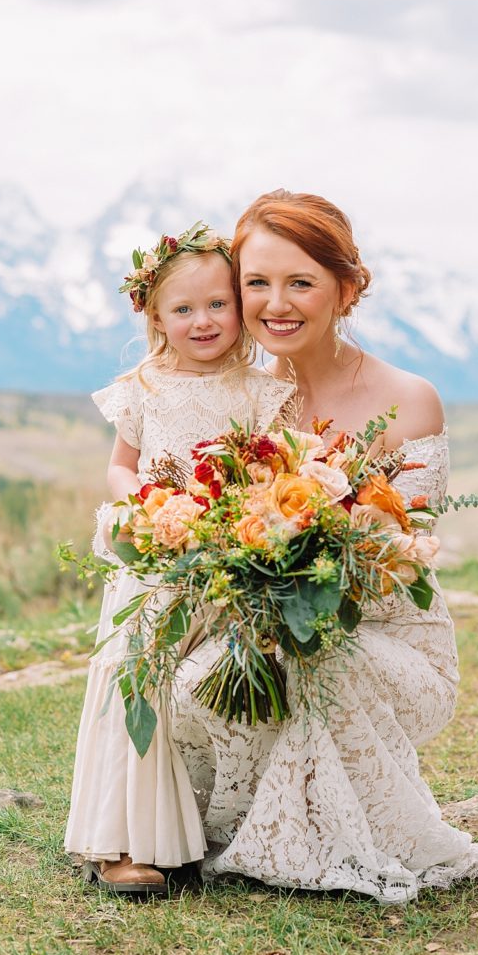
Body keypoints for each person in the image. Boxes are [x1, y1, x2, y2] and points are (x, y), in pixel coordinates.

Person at [169, 190, 478, 904]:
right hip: (266, 630)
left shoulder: (409, 398)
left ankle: (313, 841)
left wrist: (311, 558)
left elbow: (402, 558)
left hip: (388, 642)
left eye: (301, 282)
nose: (277, 303)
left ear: (348, 288)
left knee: (317, 666)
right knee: (190, 683)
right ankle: (230, 823)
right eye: (257, 283)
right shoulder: (238, 402)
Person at [64, 223, 295, 895]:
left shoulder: (261, 391)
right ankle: (118, 842)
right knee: (137, 685)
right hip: (155, 561)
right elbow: (121, 468)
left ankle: (196, 829)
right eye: (183, 309)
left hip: (225, 565)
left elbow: (269, 474)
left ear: (239, 305)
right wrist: (144, 504)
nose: (203, 321)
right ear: (155, 316)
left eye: (218, 304)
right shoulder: (142, 386)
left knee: (201, 691)